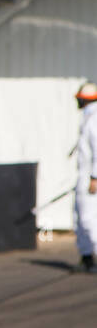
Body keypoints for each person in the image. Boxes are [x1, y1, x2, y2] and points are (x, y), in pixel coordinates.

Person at [74, 82, 97, 272]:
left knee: (90, 220)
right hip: (85, 176)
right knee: (81, 218)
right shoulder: (87, 117)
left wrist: (94, 177)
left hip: (90, 178)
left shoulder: (94, 118)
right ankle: (87, 257)